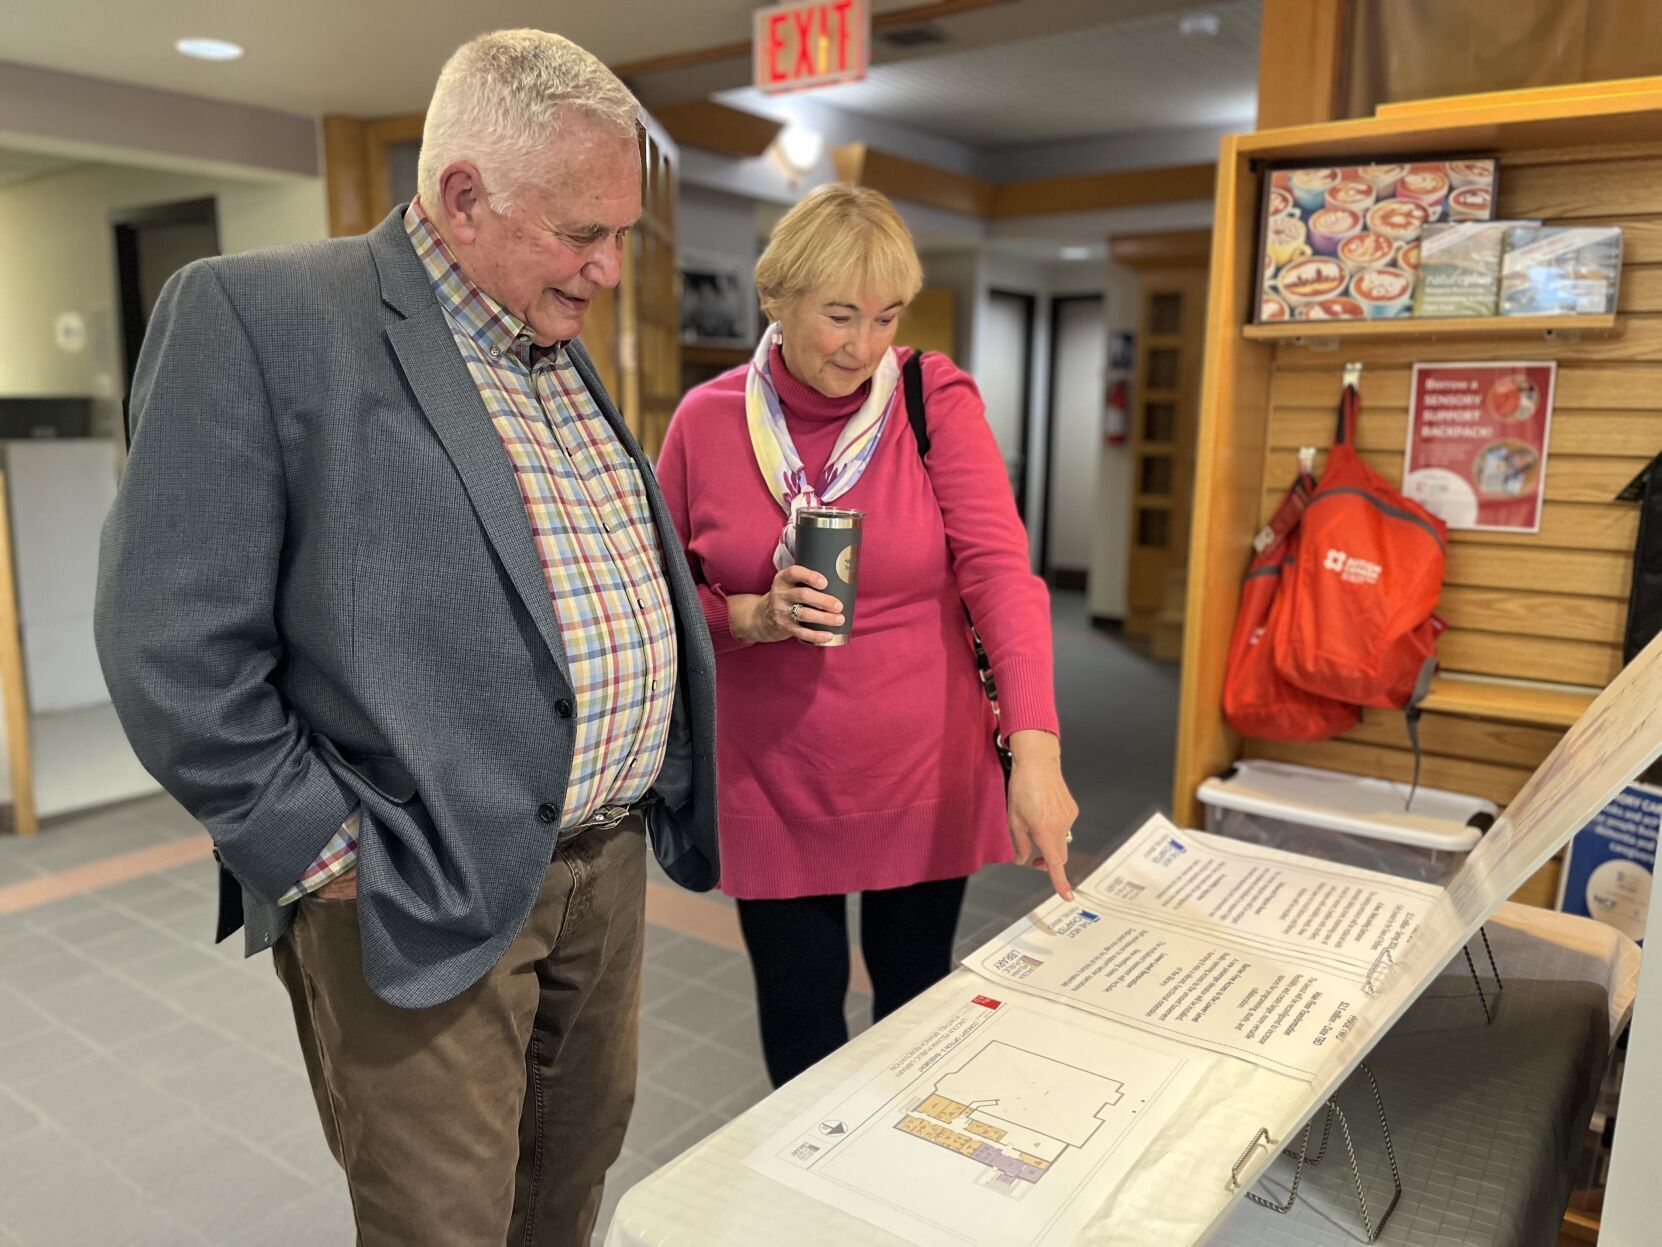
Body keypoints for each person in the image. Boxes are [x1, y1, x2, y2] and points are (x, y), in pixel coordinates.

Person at [93, 29, 717, 1246]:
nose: (607, 267)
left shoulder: (543, 333)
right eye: (582, 232)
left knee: (567, 1191)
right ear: (465, 196)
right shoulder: (258, 313)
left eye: (620, 235)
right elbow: (168, 641)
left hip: (602, 867)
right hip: (413, 880)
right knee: (445, 1222)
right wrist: (323, 851)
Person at [656, 185, 1078, 1087]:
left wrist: (1036, 753)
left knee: (915, 1022)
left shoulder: (931, 399)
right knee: (801, 1030)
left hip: (920, 767)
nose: (864, 346)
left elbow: (1001, 575)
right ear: (776, 298)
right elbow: (658, 595)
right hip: (772, 778)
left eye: (886, 317)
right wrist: (750, 615)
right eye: (839, 315)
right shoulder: (706, 421)